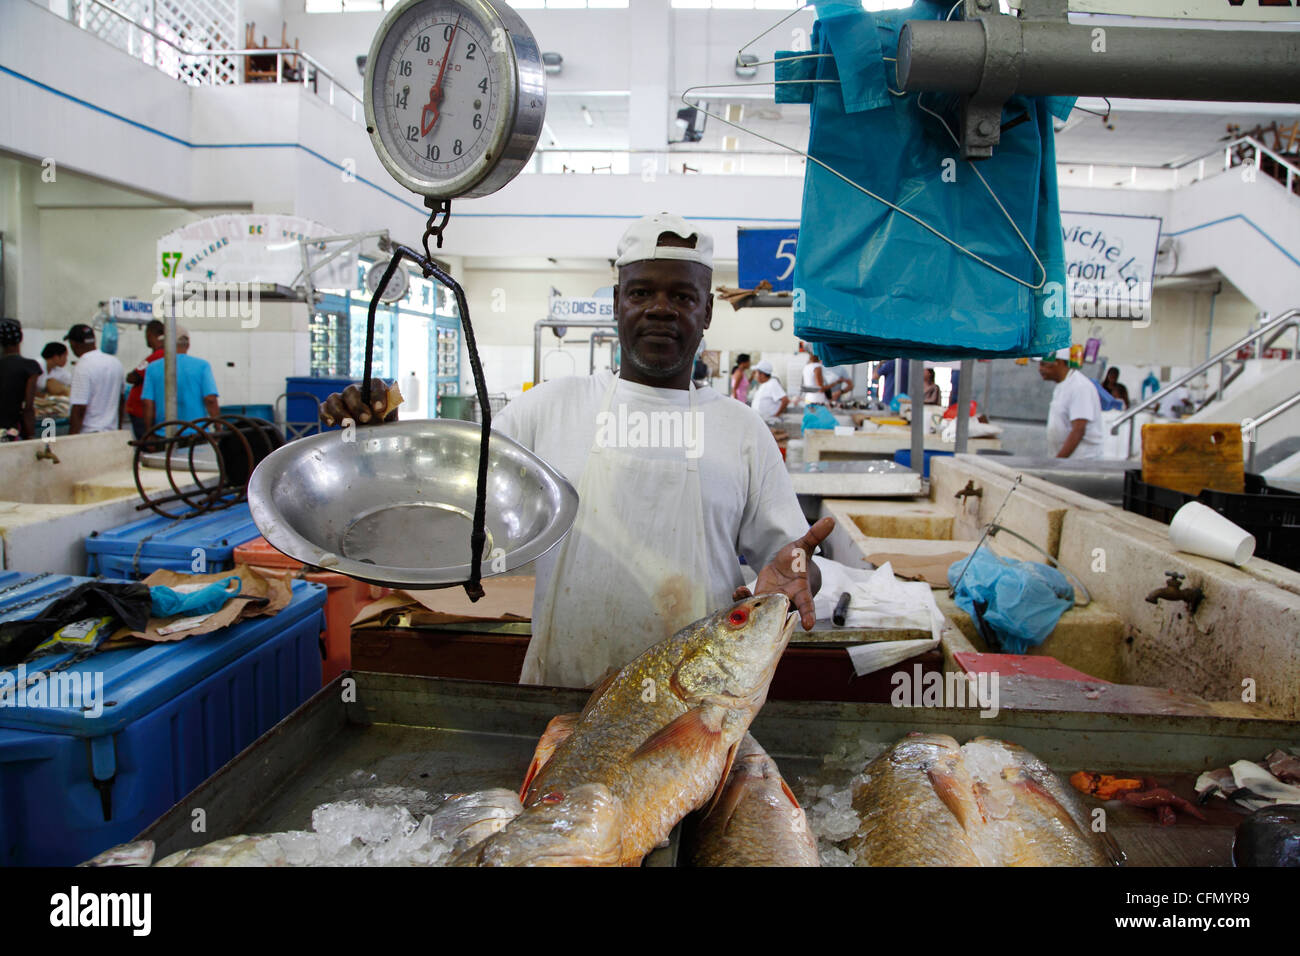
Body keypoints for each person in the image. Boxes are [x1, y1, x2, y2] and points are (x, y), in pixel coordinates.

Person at [321, 212, 833, 688]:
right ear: (616, 303)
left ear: (707, 311)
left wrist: (796, 574)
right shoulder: (545, 411)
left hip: (694, 709)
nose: (660, 308)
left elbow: (790, 562)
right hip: (561, 692)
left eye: (681, 296)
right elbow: (444, 501)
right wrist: (378, 443)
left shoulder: (742, 431)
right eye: (641, 292)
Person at [141, 327, 220, 431]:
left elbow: (148, 403)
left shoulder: (152, 367)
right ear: (188, 345)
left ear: (166, 344)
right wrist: (218, 427)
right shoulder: (202, 366)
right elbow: (210, 399)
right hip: (197, 433)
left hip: (164, 433)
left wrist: (149, 432)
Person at [1037, 347, 1103, 459]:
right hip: (1065, 461)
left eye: (1044, 364)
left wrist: (1057, 463)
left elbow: (1078, 430)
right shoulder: (1062, 385)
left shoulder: (1080, 387)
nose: (1040, 369)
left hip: (1080, 462)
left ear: (1060, 362)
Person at [66, 324, 125, 435]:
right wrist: (119, 429)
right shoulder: (115, 363)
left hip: (90, 434)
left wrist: (71, 439)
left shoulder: (83, 366)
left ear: (73, 343)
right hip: (112, 433)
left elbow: (79, 408)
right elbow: (121, 400)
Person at [0, 319, 42, 441]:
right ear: (21, 339)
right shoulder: (30, 367)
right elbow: (28, 407)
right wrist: (31, 436)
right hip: (13, 429)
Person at [124, 320, 165, 438]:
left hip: (142, 412)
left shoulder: (155, 356)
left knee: (147, 446)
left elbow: (132, 378)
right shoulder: (164, 355)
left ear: (150, 335)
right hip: (150, 411)